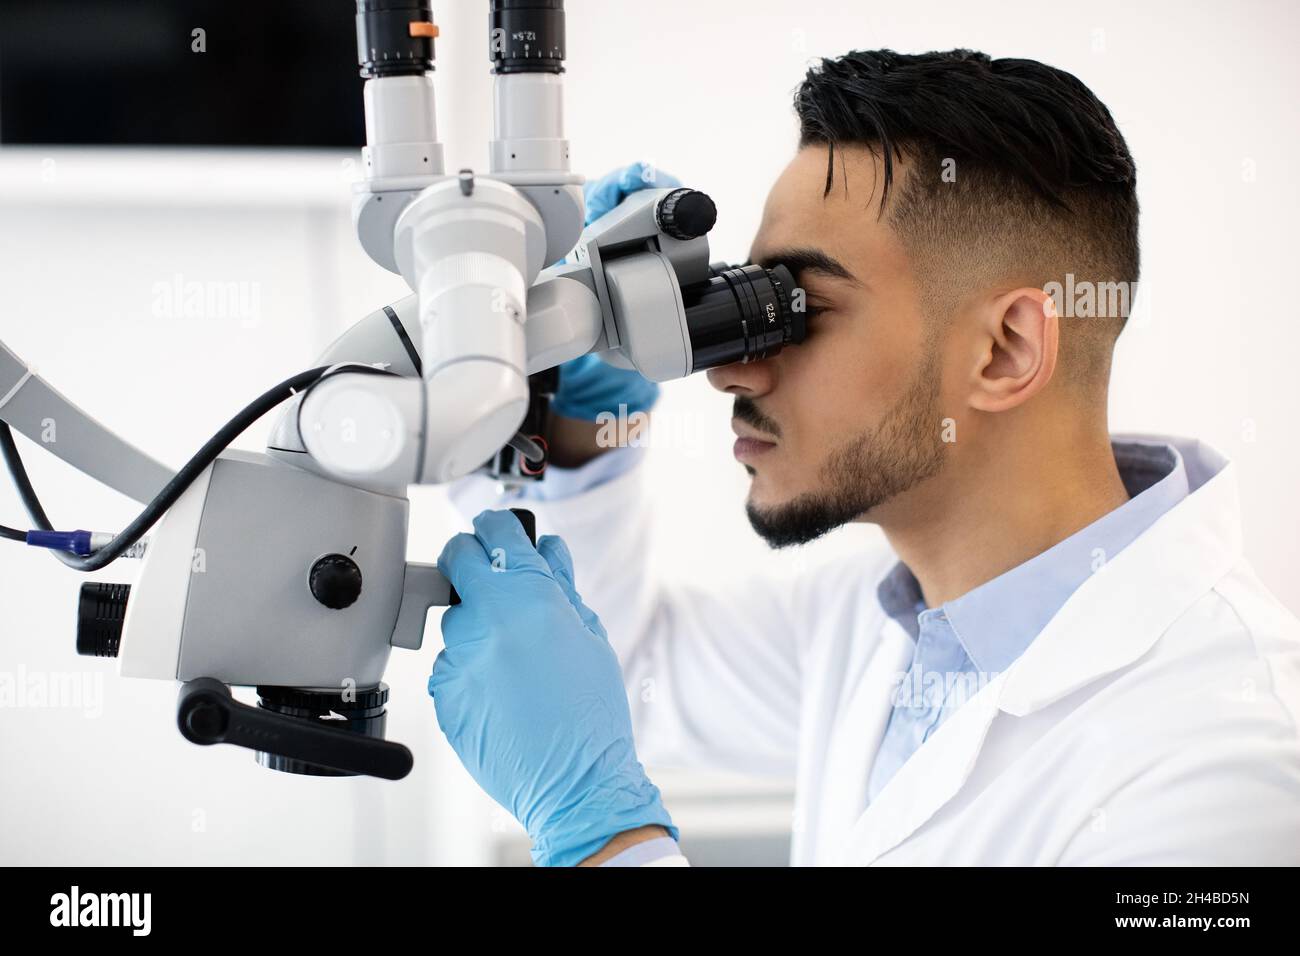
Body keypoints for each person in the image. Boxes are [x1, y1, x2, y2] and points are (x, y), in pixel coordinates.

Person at [427, 50, 1300, 867]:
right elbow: (624, 680)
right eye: (744, 299)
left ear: (1004, 350)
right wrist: (585, 432)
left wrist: (605, 836)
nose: (731, 368)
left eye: (796, 309)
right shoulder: (890, 622)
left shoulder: (1224, 760)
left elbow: (600, 754)